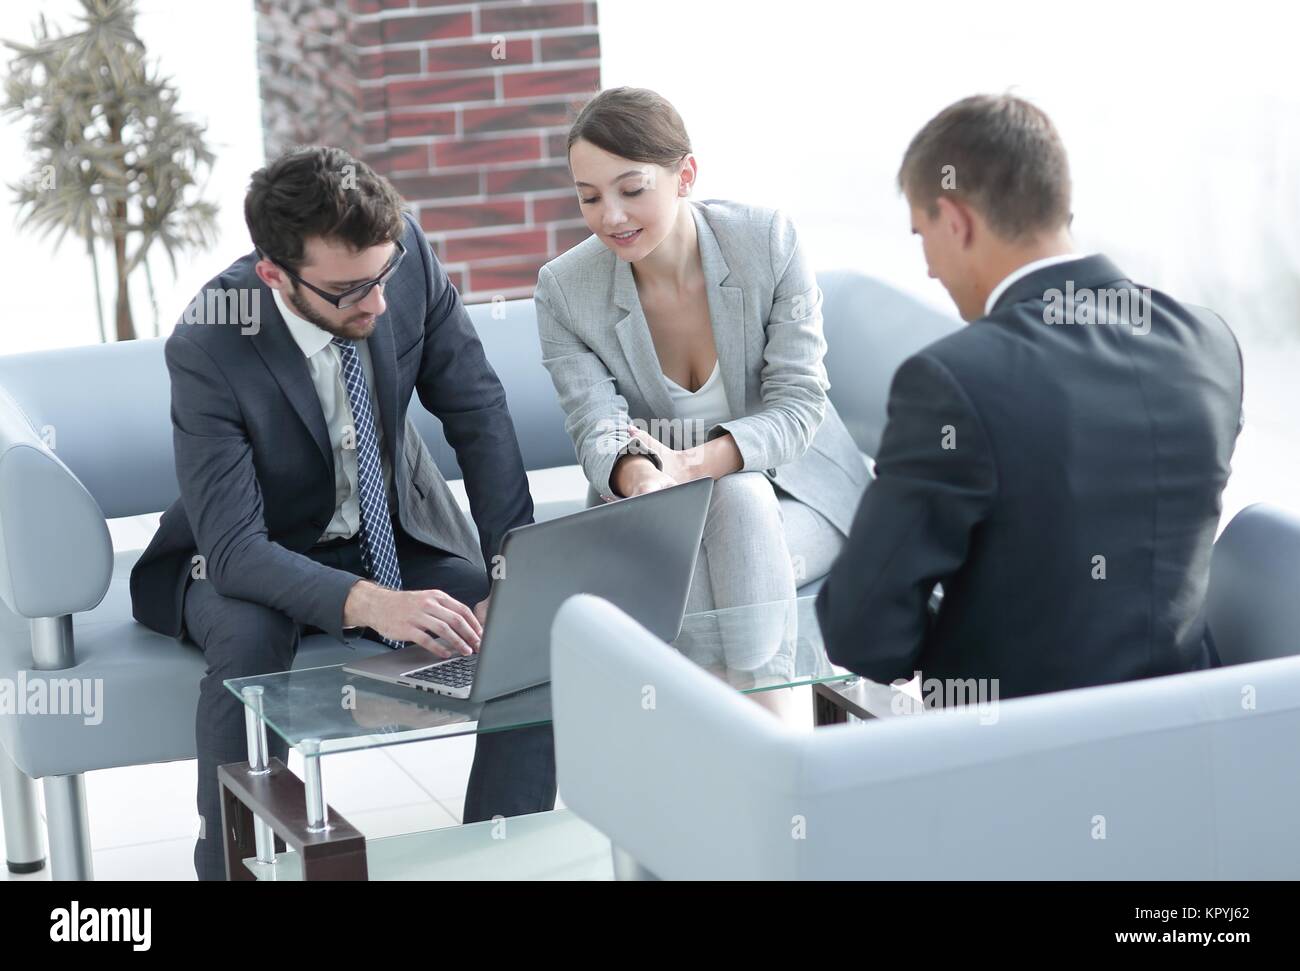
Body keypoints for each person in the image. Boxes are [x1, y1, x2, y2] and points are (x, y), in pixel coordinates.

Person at [129, 146, 555, 879]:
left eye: (383, 276)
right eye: (350, 290)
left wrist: (510, 566)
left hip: (393, 534)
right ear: (275, 275)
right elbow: (233, 548)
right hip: (252, 552)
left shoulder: (403, 255)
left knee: (530, 633)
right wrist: (370, 606)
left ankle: (497, 859)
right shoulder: (209, 340)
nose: (378, 304)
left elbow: (478, 412)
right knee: (251, 647)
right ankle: (232, 867)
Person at [816, 94, 1244, 702]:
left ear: (956, 219)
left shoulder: (953, 378)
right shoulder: (1209, 342)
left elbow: (864, 632)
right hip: (1191, 730)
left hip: (1014, 746)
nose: (931, 269)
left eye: (922, 235)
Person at [535, 87, 869, 615]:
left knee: (738, 500)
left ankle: (736, 700)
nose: (612, 217)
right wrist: (644, 478)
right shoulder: (564, 290)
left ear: (685, 176)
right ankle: (762, 700)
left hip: (798, 493)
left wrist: (691, 466)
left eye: (632, 189)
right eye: (590, 197)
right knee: (704, 562)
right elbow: (595, 424)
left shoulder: (766, 242)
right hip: (659, 507)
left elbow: (799, 403)